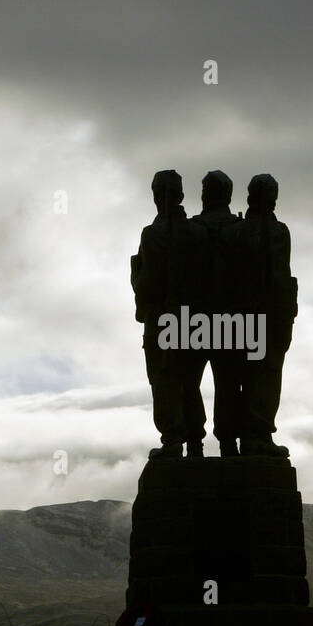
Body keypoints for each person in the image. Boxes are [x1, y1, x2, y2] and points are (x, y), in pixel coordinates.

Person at [232, 174, 296, 458]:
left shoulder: (237, 230)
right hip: (268, 315)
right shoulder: (278, 231)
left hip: (239, 315)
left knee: (243, 377)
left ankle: (248, 436)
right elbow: (280, 277)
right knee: (265, 376)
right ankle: (257, 435)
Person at [132, 169, 191, 459]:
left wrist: (136, 277)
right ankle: (192, 442)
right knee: (185, 380)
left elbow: (146, 281)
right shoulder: (195, 231)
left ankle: (173, 440)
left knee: (165, 379)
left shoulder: (152, 234)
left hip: (164, 317)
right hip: (193, 319)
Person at [187, 170, 245, 456]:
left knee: (188, 383)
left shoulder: (188, 229)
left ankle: (193, 442)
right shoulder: (240, 229)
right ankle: (228, 442)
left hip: (191, 319)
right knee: (229, 384)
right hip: (232, 319)